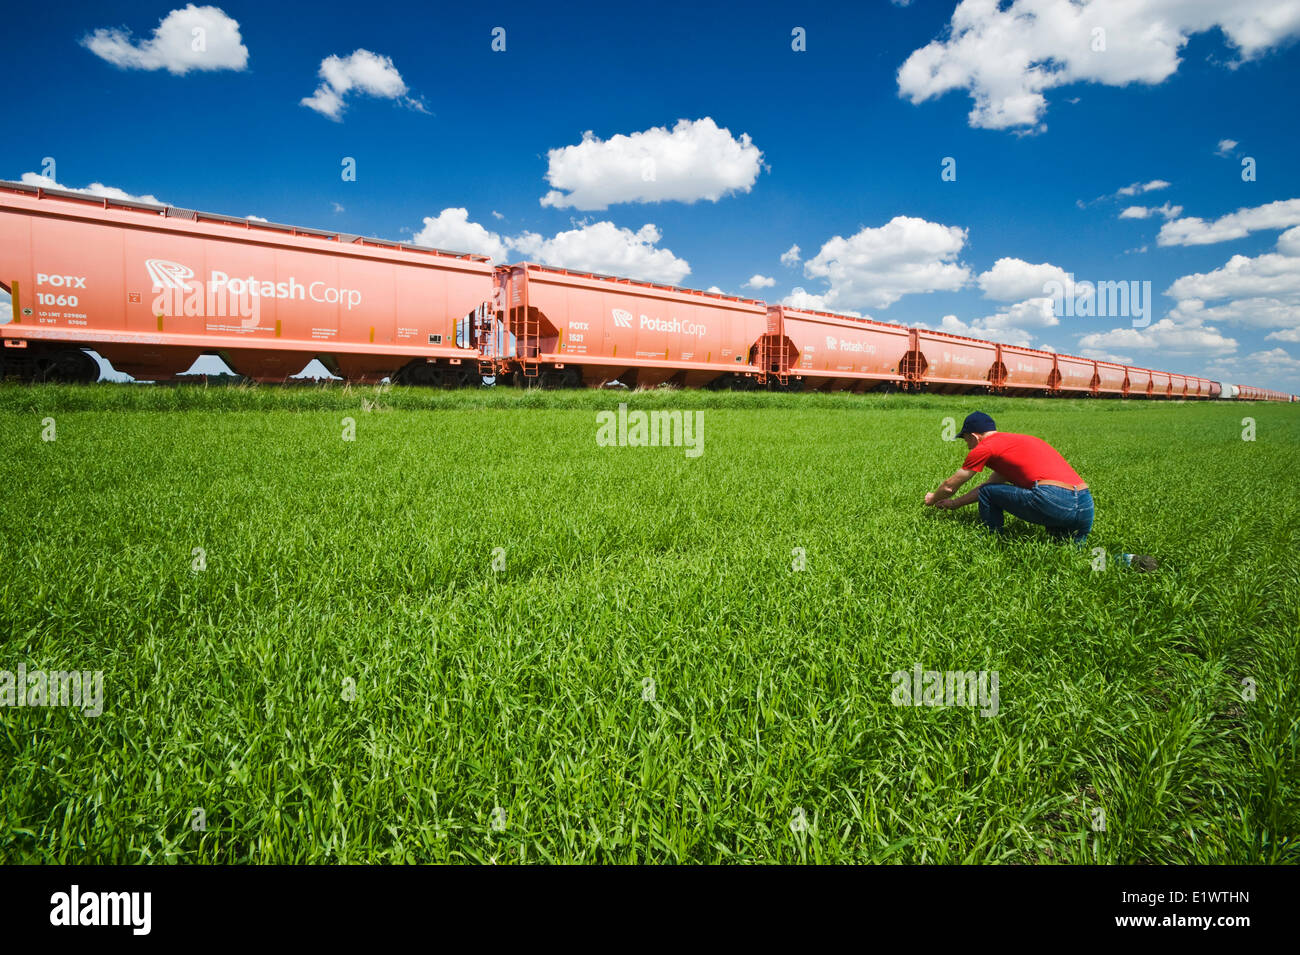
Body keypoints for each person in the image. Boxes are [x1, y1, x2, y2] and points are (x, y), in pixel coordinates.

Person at [923, 411, 1094, 544]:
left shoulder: (984, 447)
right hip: (1085, 505)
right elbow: (990, 484)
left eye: (966, 440)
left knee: (988, 492)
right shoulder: (1017, 444)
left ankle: (992, 541)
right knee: (1069, 553)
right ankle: (1119, 561)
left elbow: (949, 487)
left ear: (974, 436)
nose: (968, 446)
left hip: (1053, 500)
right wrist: (954, 504)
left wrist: (932, 499)